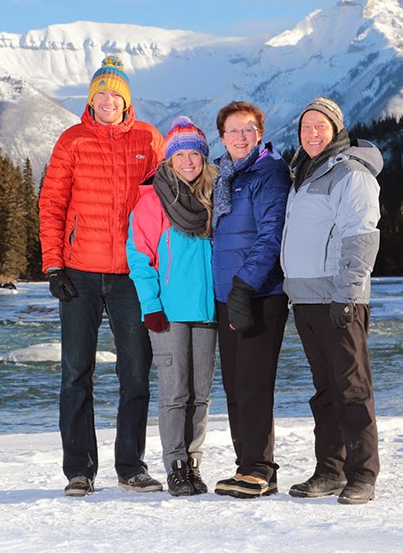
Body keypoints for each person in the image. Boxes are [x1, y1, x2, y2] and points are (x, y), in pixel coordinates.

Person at [38, 55, 165, 497]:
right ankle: (79, 469)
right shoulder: (72, 140)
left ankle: (131, 465)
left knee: (136, 371)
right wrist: (54, 265)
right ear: (90, 99)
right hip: (79, 273)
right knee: (76, 372)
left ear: (126, 100)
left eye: (115, 94)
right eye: (99, 94)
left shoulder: (149, 139)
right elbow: (52, 203)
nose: (107, 101)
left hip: (133, 275)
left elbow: (165, 202)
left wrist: (162, 264)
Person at [280, 96, 382, 505]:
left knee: (352, 389)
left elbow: (361, 236)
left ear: (336, 130)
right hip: (304, 301)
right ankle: (330, 469)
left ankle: (363, 474)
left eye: (320, 126)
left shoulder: (351, 174)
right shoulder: (303, 174)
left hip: (339, 299)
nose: (312, 133)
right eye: (306, 127)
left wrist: (348, 293)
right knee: (324, 391)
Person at [126, 116, 218, 497]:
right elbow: (139, 259)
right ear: (168, 160)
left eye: (194, 153)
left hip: (208, 311)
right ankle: (176, 464)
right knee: (175, 393)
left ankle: (194, 462)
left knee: (201, 395)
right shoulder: (151, 202)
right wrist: (151, 305)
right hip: (168, 313)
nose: (188, 160)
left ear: (203, 159)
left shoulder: (214, 198)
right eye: (180, 153)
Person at [211, 101, 291, 499]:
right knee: (234, 385)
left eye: (247, 130)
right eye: (232, 131)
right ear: (222, 137)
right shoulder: (225, 176)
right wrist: (224, 292)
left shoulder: (269, 172)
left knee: (255, 384)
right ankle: (246, 466)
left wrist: (245, 285)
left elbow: (271, 233)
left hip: (260, 293)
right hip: (228, 294)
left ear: (259, 133)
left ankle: (261, 467)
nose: (240, 137)